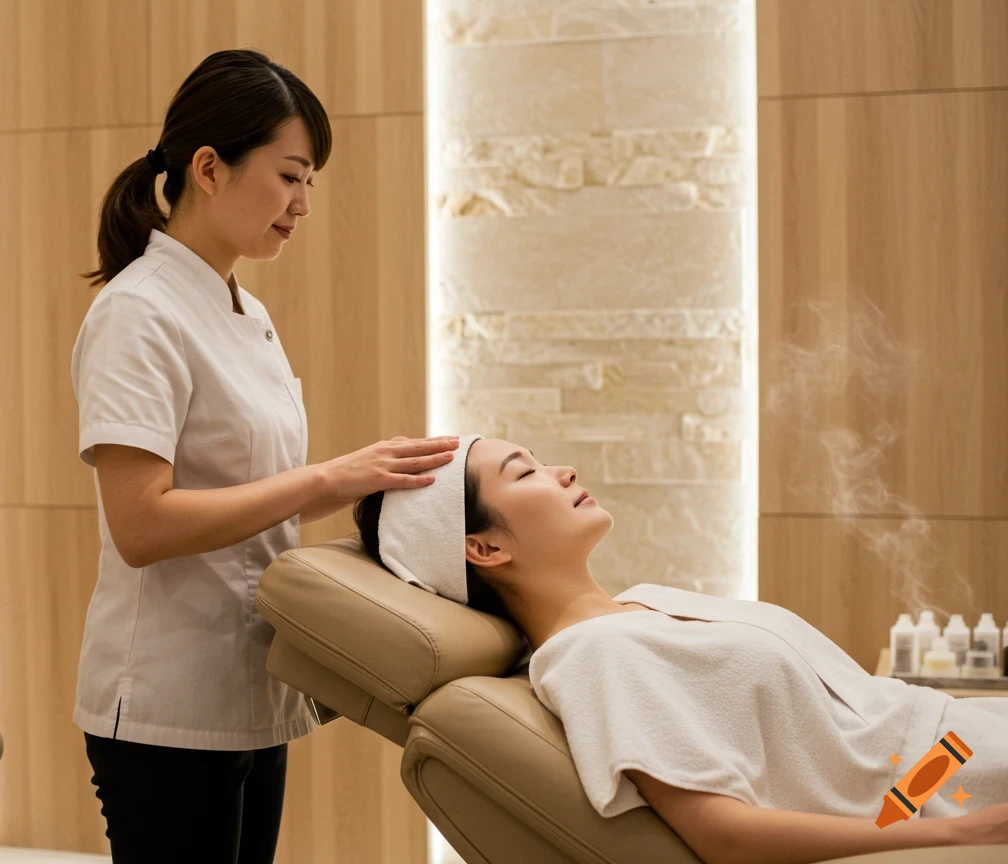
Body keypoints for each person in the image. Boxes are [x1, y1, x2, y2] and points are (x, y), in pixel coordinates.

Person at [71, 48, 459, 864]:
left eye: (309, 181)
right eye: (290, 176)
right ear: (210, 168)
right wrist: (326, 477)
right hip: (168, 703)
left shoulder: (246, 310)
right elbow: (141, 525)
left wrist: (366, 475)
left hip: (253, 689)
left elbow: (259, 493)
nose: (303, 203)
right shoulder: (138, 313)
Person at [352, 435, 1008, 864]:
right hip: (948, 791)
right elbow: (720, 833)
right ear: (485, 547)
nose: (564, 470)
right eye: (525, 472)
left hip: (968, 745)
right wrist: (957, 833)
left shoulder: (643, 604)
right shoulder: (594, 656)